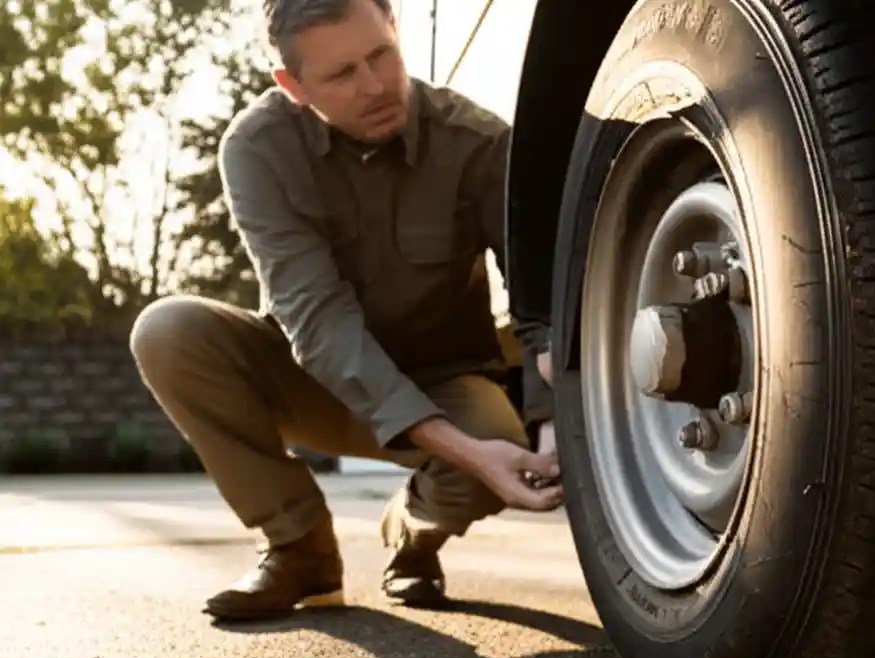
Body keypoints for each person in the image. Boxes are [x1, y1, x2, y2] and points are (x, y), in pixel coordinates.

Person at [129, 0, 561, 621]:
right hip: (309, 375)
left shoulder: (479, 142)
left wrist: (555, 423)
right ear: (294, 86)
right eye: (341, 75)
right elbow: (318, 321)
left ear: (395, 29)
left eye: (381, 55)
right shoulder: (257, 148)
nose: (376, 86)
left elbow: (539, 298)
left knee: (494, 447)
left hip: (437, 380)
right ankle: (297, 547)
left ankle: (411, 538)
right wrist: (461, 449)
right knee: (167, 331)